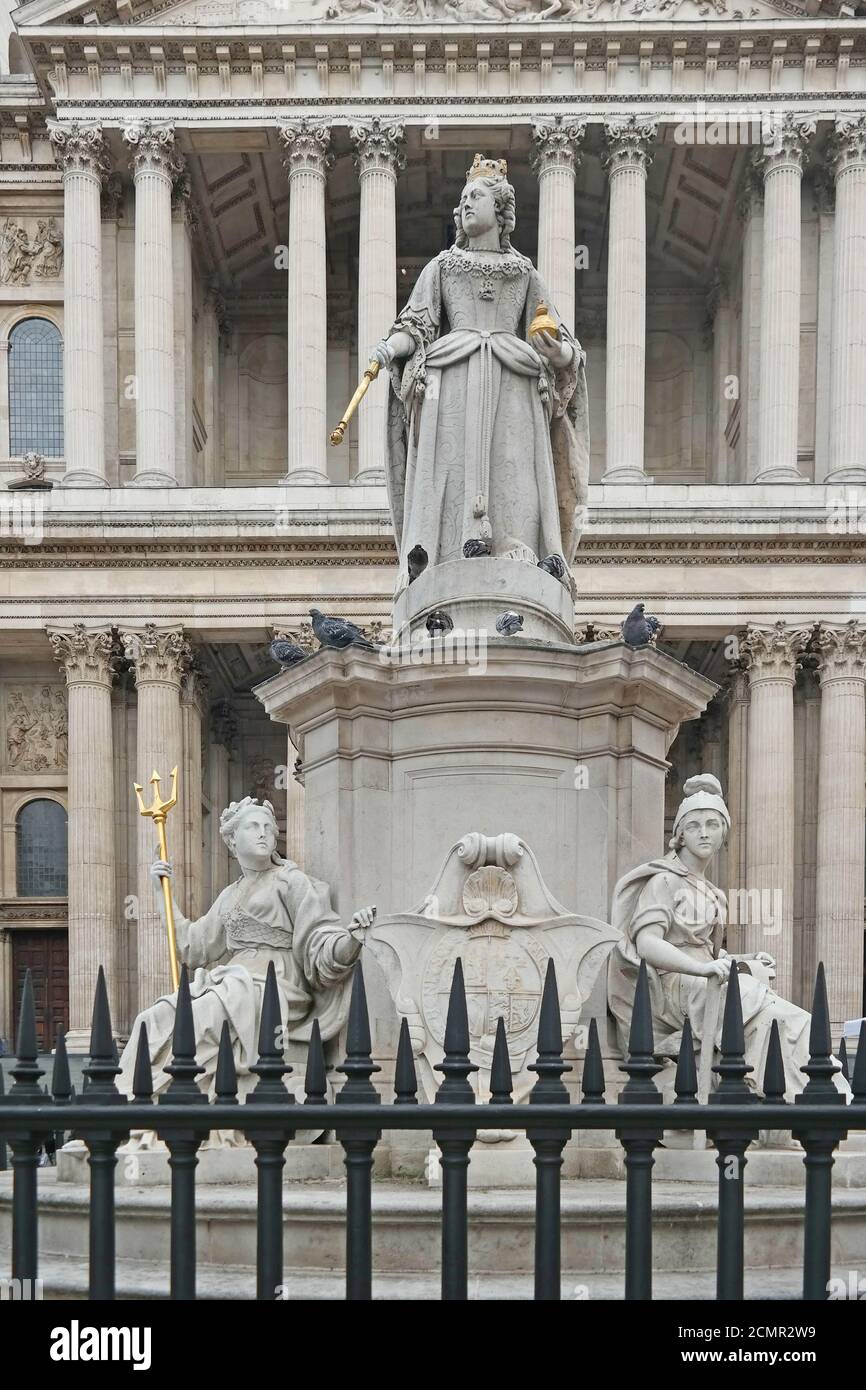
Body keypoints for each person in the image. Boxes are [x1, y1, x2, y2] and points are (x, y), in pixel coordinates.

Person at [373, 153, 589, 596]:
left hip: (514, 378)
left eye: (476, 197)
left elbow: (558, 336)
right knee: (449, 464)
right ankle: (446, 550)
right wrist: (389, 348)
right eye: (464, 198)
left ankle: (518, 543)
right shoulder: (442, 266)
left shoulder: (525, 272)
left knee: (513, 465)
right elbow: (416, 325)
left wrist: (561, 353)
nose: (466, 204)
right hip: (451, 375)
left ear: (500, 209)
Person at [606, 773, 849, 1101]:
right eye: (693, 825)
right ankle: (808, 1095)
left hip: (704, 980)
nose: (704, 832)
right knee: (770, 1013)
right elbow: (647, 944)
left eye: (712, 824)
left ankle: (809, 1094)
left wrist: (745, 960)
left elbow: (708, 954)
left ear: (724, 833)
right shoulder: (664, 881)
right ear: (678, 835)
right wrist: (703, 970)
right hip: (674, 988)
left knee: (794, 1017)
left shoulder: (712, 893)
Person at [117, 796, 375, 1103]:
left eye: (268, 826)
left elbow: (320, 939)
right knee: (154, 1016)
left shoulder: (291, 881)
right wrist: (162, 893)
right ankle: (129, 1103)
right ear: (231, 840)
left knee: (202, 1013)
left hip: (274, 984)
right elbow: (193, 947)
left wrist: (351, 941)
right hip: (233, 981)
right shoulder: (230, 894)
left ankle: (169, 1097)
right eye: (253, 827)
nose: (264, 833)